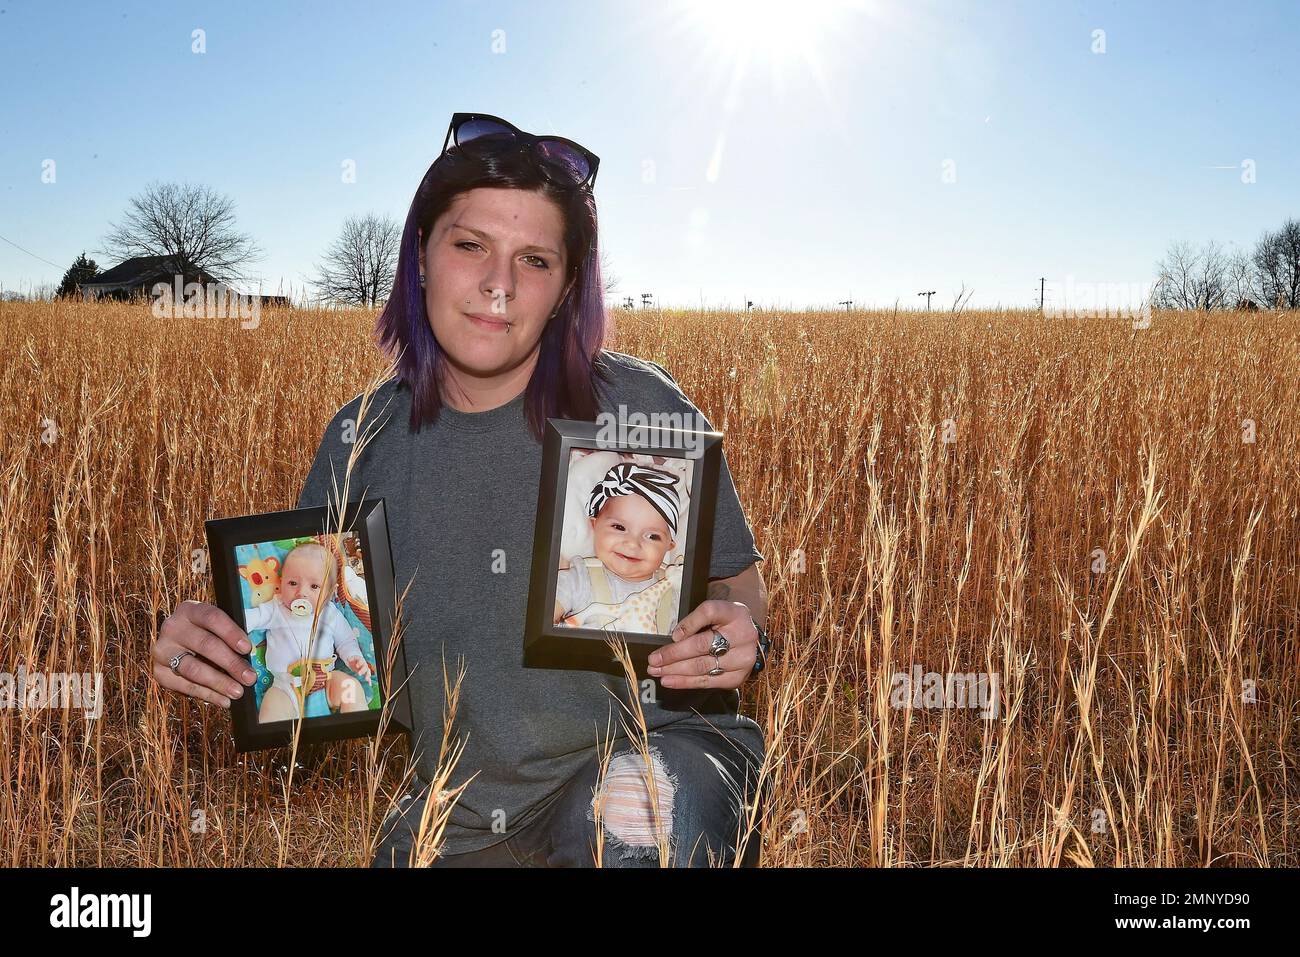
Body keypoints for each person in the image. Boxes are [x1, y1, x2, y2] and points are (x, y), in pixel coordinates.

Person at [151, 111, 772, 867]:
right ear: (420, 255)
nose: (498, 285)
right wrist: (221, 651)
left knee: (632, 829)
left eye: (535, 259)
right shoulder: (360, 442)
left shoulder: (641, 408)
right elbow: (312, 632)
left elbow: (738, 583)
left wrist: (739, 630)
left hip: (651, 753)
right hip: (462, 805)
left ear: (568, 285)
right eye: (470, 244)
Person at [244, 541, 374, 722]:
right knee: (271, 709)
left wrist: (354, 658)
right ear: (281, 583)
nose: (301, 593)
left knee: (350, 687)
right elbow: (251, 618)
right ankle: (277, 742)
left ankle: (360, 728)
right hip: (285, 687)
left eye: (314, 586)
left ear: (329, 592)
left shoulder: (330, 614)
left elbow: (346, 641)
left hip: (327, 681)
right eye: (292, 583)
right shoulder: (276, 608)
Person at [553, 462, 683, 633]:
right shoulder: (579, 579)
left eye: (652, 536)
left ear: (669, 546)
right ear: (594, 525)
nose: (632, 543)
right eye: (619, 528)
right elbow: (540, 618)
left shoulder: (673, 593)